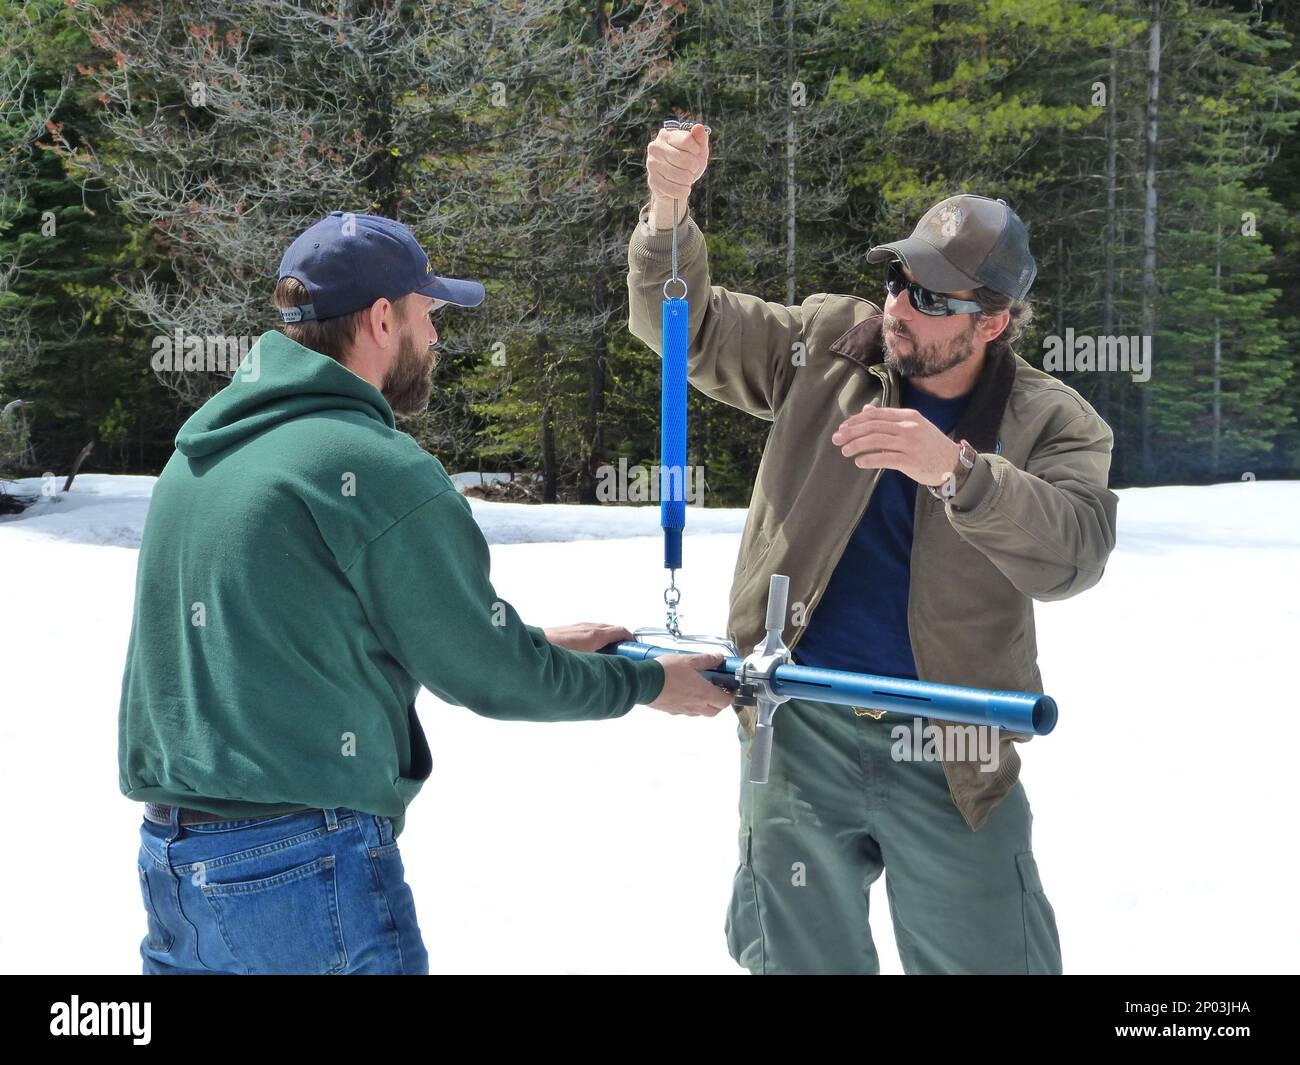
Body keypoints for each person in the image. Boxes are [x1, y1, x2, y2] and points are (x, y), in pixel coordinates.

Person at [120, 209, 732, 975]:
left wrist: (534, 641)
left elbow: (308, 643)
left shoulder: (203, 452)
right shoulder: (373, 466)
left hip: (177, 868)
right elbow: (487, 674)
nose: (438, 339)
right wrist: (646, 681)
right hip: (304, 870)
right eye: (427, 315)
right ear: (382, 319)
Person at [629, 123, 1119, 974]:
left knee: (992, 959)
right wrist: (668, 209)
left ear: (994, 321)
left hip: (957, 737)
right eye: (899, 279)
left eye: (933, 298)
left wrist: (960, 473)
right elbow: (688, 331)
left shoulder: (1051, 420)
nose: (899, 305)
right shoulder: (828, 343)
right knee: (794, 956)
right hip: (796, 719)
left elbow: (1076, 552)